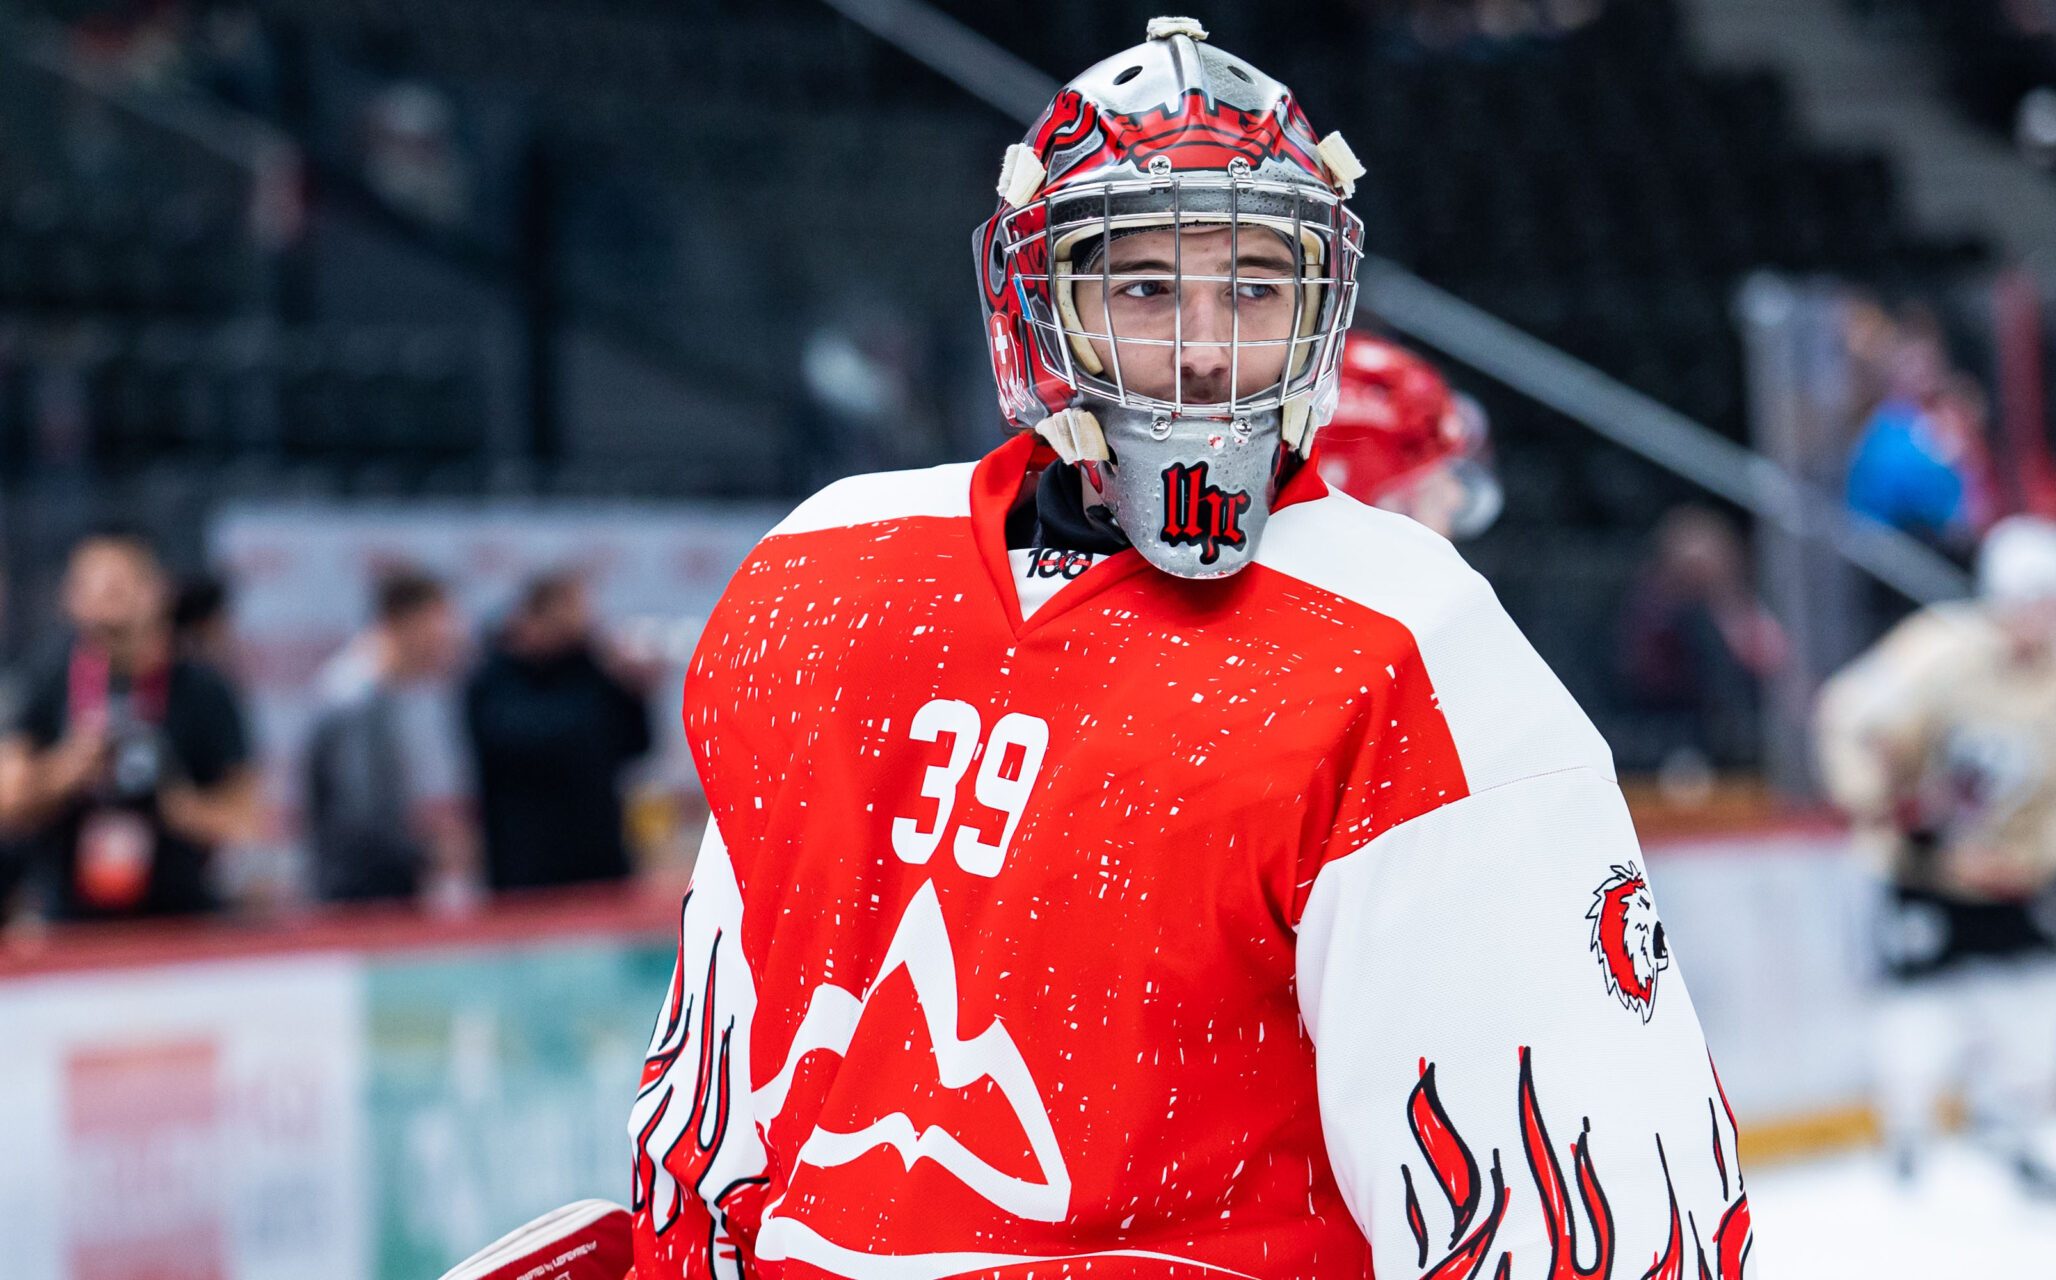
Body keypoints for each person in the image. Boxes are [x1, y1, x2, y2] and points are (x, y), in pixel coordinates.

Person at [625, 19, 1752, 1279]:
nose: (1206, 351)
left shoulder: (1402, 639)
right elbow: (720, 1108)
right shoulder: (824, 571)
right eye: (1147, 287)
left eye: (1256, 288)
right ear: (1036, 307)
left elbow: (1576, 1217)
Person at [1814, 515, 2056, 1203]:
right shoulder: (1940, 648)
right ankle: (1907, 1138)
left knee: (2043, 1006)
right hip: (1923, 873)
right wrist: (1879, 801)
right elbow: (1848, 718)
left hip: (2008, 876)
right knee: (1917, 1016)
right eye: (2050, 595)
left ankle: (2009, 1127)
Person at [0, 530, 258, 919]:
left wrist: (176, 805)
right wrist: (66, 770)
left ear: (158, 590)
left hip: (177, 920)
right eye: (92, 586)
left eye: (119, 586)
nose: (105, 603)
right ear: (70, 595)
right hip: (70, 921)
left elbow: (249, 817)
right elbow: (7, 802)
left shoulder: (203, 690)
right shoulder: (45, 680)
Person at [464, 572, 651, 891]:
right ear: (541, 614)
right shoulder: (494, 678)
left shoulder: (594, 671)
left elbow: (635, 746)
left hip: (599, 856)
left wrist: (636, 694)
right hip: (526, 864)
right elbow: (523, 745)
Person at [306, 568, 477, 905]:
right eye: (441, 623)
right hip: (359, 896)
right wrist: (429, 852)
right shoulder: (355, 695)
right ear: (407, 622)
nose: (452, 638)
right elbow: (360, 816)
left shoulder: (389, 690)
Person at [1619, 506, 1789, 778]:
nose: (1699, 574)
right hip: (1674, 737)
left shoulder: (1739, 603)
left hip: (1744, 737)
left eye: (1709, 561)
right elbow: (1652, 677)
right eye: (1690, 566)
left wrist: (1726, 602)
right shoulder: (1659, 612)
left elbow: (1775, 661)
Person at [1314, 330, 1503, 540]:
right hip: (1295, 380)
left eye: (1453, 515)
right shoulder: (1427, 427)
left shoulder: (1363, 521)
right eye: (1456, 502)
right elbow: (1351, 361)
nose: (1447, 502)